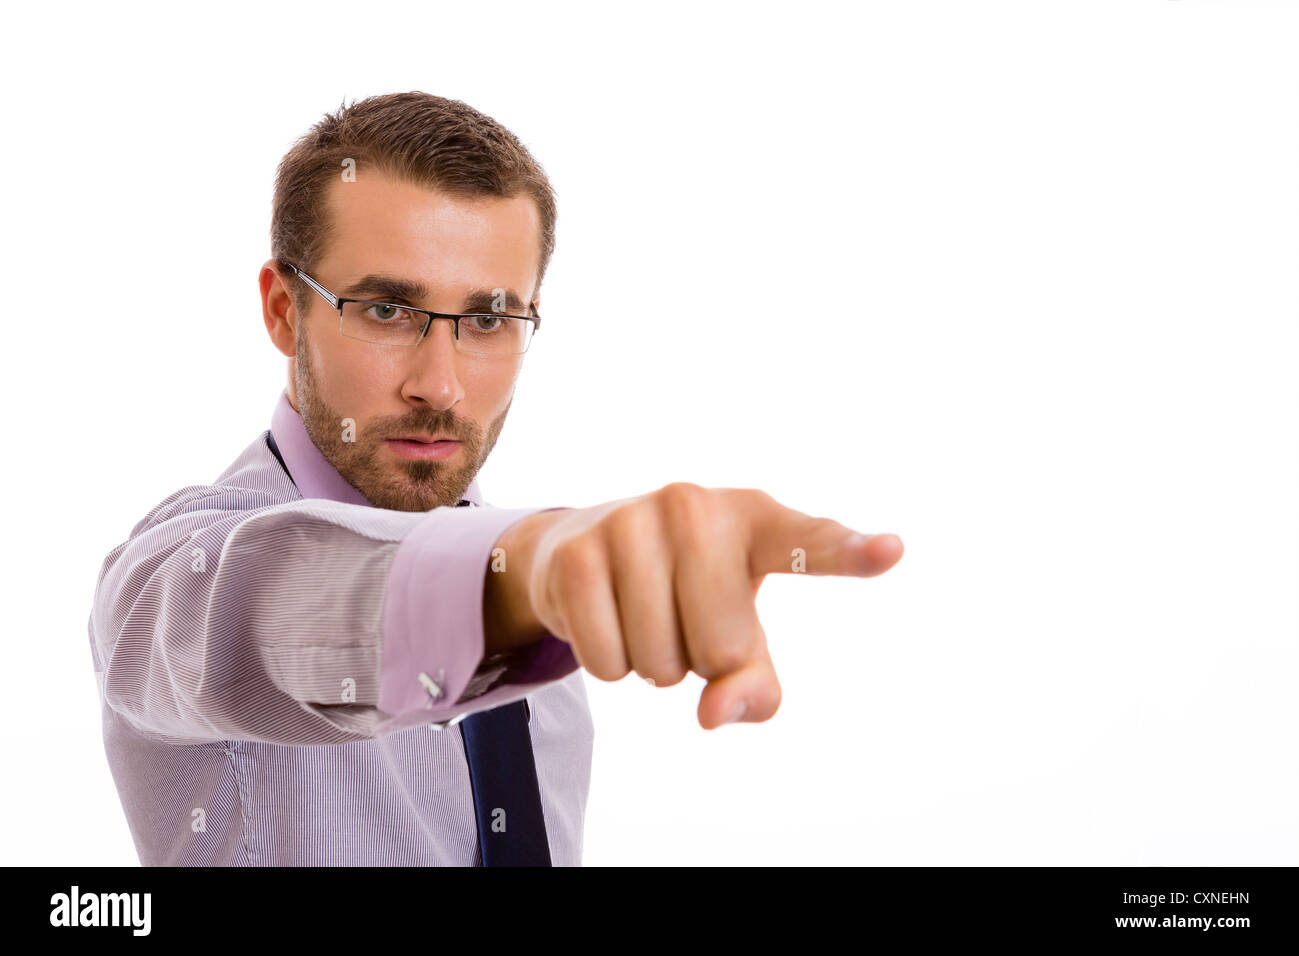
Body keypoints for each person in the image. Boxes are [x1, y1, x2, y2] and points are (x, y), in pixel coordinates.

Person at [87, 91, 904, 867]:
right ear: (282, 310)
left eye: (486, 320)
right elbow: (274, 600)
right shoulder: (171, 581)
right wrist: (529, 575)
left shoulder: (548, 642)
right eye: (386, 310)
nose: (438, 385)